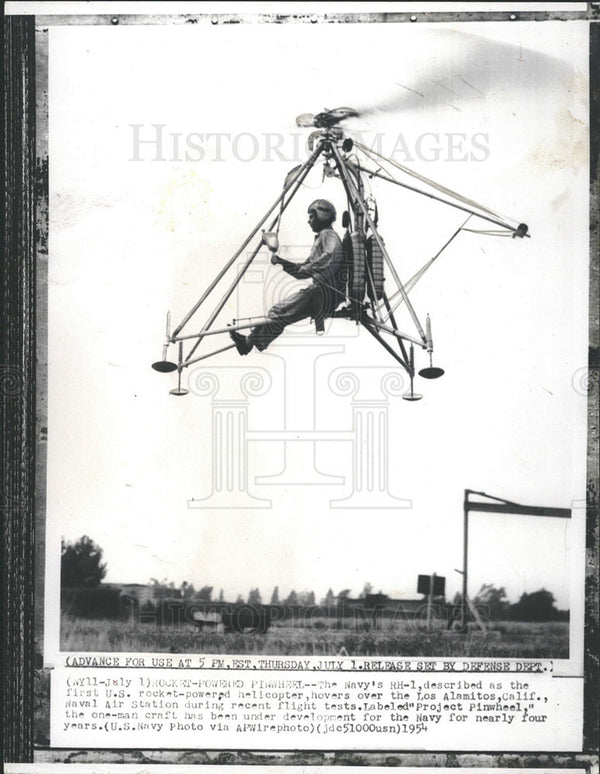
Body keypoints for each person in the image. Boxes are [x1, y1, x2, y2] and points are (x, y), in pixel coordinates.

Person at [230, 199, 346, 355]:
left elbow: (331, 255)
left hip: (323, 293)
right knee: (280, 315)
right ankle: (249, 342)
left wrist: (307, 268)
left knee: (279, 312)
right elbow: (302, 272)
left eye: (312, 217)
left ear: (322, 216)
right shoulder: (321, 238)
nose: (309, 221)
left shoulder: (328, 234)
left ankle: (248, 343)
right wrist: (281, 262)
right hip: (323, 295)